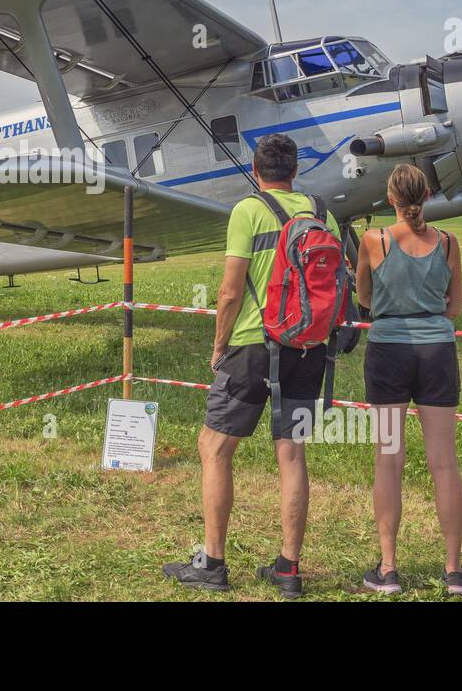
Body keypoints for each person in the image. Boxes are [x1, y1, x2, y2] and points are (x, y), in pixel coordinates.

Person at [162, 133, 341, 596]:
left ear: (256, 172)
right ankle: (288, 570)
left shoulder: (248, 210)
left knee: (215, 448)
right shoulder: (323, 213)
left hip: (252, 346)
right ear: (296, 171)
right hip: (308, 348)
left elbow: (229, 290)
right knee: (292, 454)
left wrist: (218, 346)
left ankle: (214, 563)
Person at [355, 163, 462, 597]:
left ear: (391, 199)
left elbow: (364, 297)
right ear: (427, 196)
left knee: (389, 459)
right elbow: (454, 307)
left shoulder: (374, 240)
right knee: (444, 463)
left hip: (388, 353)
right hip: (437, 352)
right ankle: (453, 571)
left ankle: (388, 569)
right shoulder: (449, 242)